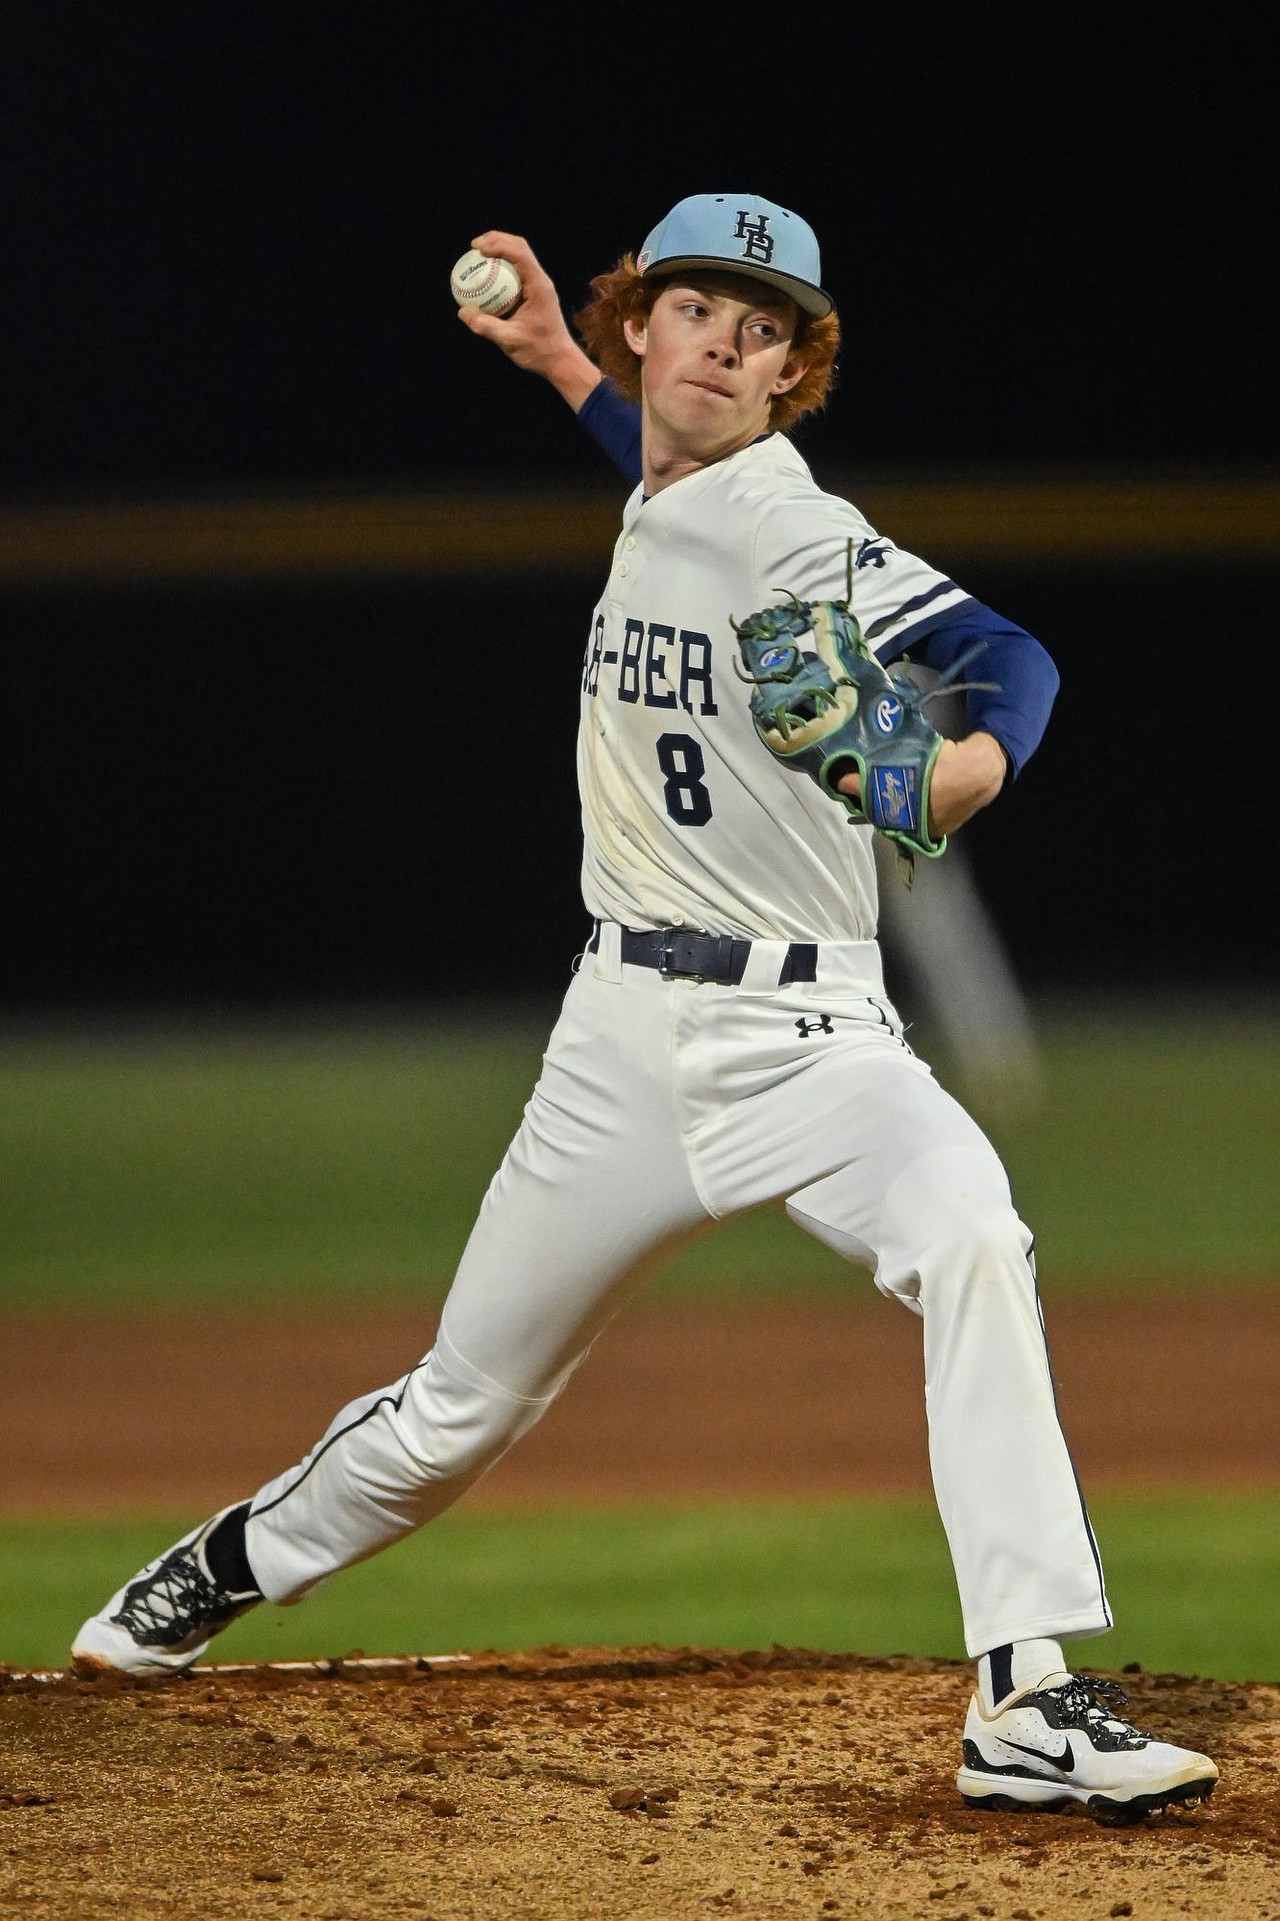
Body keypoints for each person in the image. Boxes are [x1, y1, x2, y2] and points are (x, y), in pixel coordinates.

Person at [73, 193, 1216, 1820]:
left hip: (812, 1044)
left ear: (787, 378)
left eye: (763, 334)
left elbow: (1004, 649)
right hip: (614, 1043)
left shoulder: (788, 521)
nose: (724, 349)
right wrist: (551, 360)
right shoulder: (674, 487)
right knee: (458, 1409)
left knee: (971, 1231)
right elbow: (654, 461)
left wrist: (963, 764)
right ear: (643, 325)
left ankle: (1026, 1691)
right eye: (699, 311)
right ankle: (231, 1559)